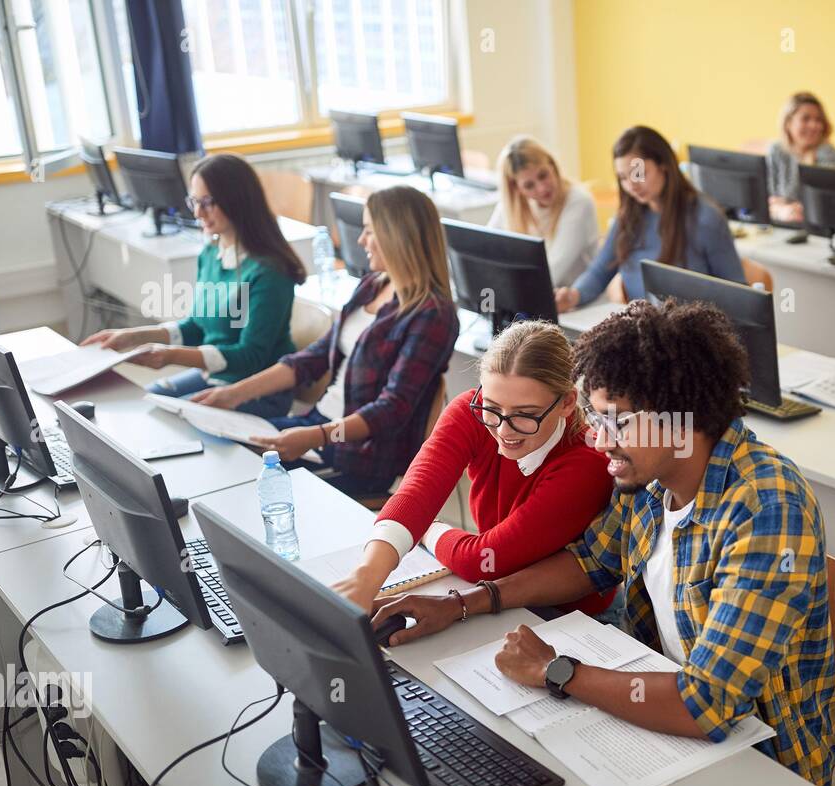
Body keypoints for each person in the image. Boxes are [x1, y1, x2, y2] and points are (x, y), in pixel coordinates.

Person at [369, 300, 835, 786]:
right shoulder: (654, 480)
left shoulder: (764, 508)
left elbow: (708, 705)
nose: (597, 441)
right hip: (655, 709)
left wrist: (555, 670)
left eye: (617, 422)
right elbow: (590, 561)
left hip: (763, 763)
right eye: (599, 418)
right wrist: (462, 604)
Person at [332, 320, 616, 616]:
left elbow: (482, 560)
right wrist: (365, 577)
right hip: (493, 595)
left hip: (570, 618)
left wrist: (428, 527)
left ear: (567, 403)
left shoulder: (587, 463)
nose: (504, 429)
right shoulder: (473, 412)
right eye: (493, 407)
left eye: (525, 415)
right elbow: (417, 491)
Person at [190, 186, 459, 496]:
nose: (360, 241)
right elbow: (313, 358)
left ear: (397, 237)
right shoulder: (372, 285)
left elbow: (390, 409)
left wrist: (315, 436)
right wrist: (231, 395)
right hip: (321, 426)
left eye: (369, 231)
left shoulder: (433, 315)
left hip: (358, 455)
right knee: (219, 447)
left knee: (240, 476)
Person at [81, 153, 304, 417]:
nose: (198, 212)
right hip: (217, 378)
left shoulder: (270, 272)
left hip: (256, 390)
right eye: (194, 201)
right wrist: (136, 336)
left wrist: (172, 355)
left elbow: (249, 357)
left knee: (167, 418)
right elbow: (196, 326)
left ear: (238, 201)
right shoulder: (211, 253)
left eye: (208, 202)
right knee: (144, 408)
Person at [555, 126, 745, 311]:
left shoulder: (706, 219)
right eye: (623, 177)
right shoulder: (628, 218)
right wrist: (573, 296)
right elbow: (599, 272)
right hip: (644, 330)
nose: (631, 185)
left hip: (693, 334)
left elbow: (738, 294)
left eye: (639, 173)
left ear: (663, 165)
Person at [488, 136, 599, 287]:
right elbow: (487, 249)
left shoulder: (578, 202)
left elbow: (553, 271)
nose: (542, 188)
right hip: (539, 296)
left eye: (543, 175)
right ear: (517, 189)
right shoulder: (511, 207)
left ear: (552, 165)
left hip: (579, 301)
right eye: (529, 185)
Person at [766, 91, 835, 223]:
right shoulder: (776, 150)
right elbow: (769, 197)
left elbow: (828, 202)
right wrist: (781, 210)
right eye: (806, 119)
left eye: (818, 120)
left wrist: (808, 160)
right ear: (788, 123)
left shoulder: (828, 152)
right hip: (781, 222)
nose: (814, 125)